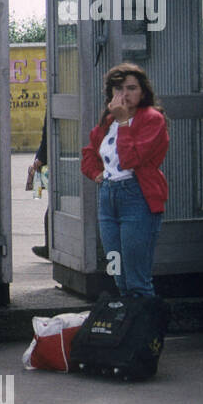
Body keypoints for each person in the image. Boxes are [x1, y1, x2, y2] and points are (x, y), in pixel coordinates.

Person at [80, 62, 169, 297]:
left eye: (131, 88)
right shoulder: (108, 121)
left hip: (137, 195)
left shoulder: (152, 119)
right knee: (118, 273)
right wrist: (95, 173)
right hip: (108, 196)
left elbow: (131, 159)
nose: (124, 95)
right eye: (118, 89)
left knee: (136, 277)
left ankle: (146, 332)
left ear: (143, 91)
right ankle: (129, 328)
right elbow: (90, 152)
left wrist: (123, 123)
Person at [26, 120, 49, 259]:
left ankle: (50, 247)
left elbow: (48, 133)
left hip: (50, 160)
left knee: (54, 206)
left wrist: (40, 158)